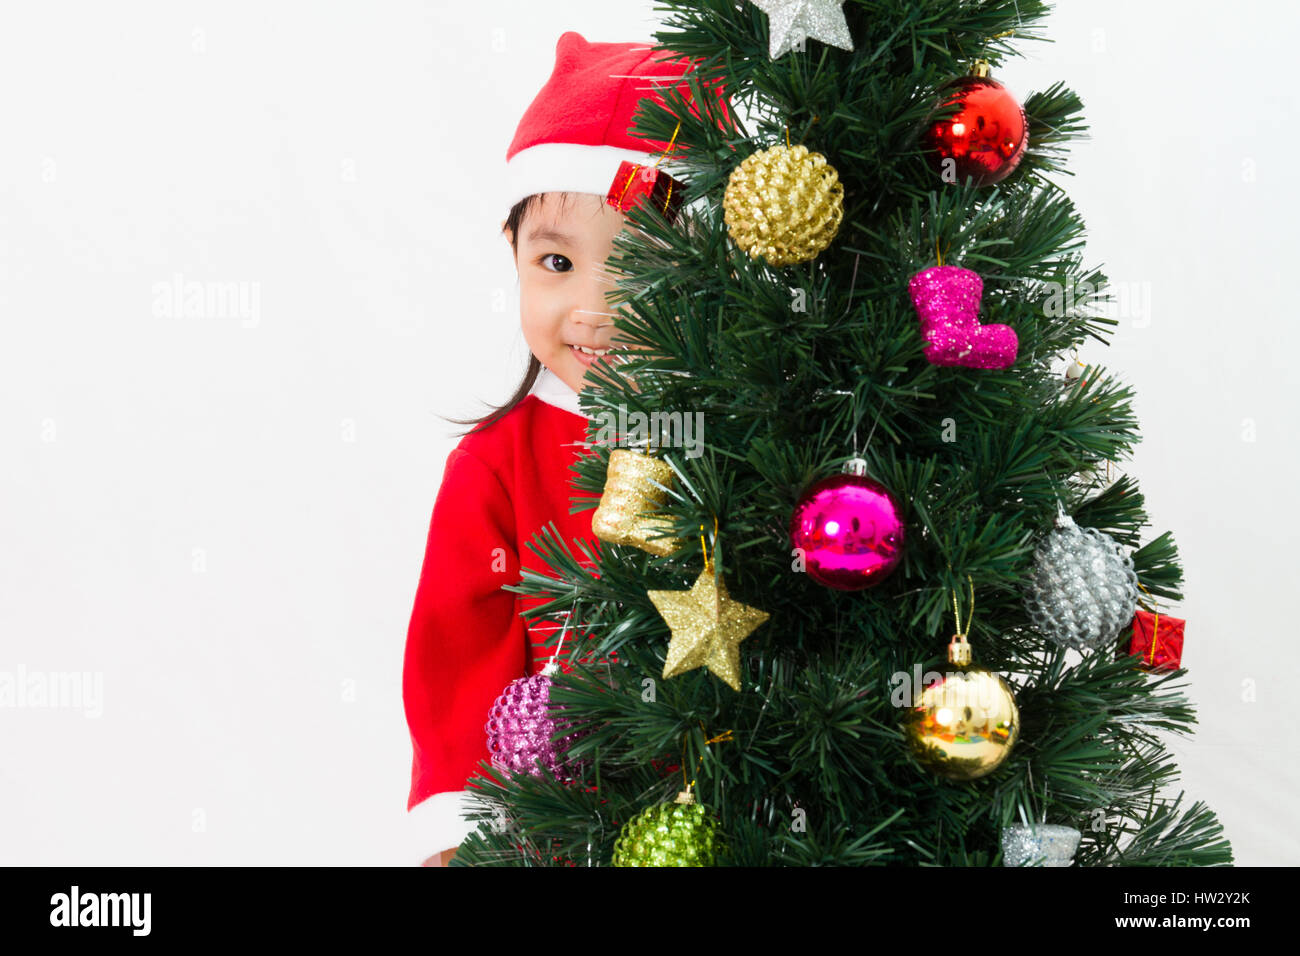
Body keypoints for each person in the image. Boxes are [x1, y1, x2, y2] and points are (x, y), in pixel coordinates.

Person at [401, 31, 727, 866]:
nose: (593, 308)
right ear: (512, 258)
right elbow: (456, 656)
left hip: (736, 808)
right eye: (557, 262)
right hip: (557, 829)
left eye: (641, 268)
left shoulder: (745, 438)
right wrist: (460, 828)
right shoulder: (495, 464)